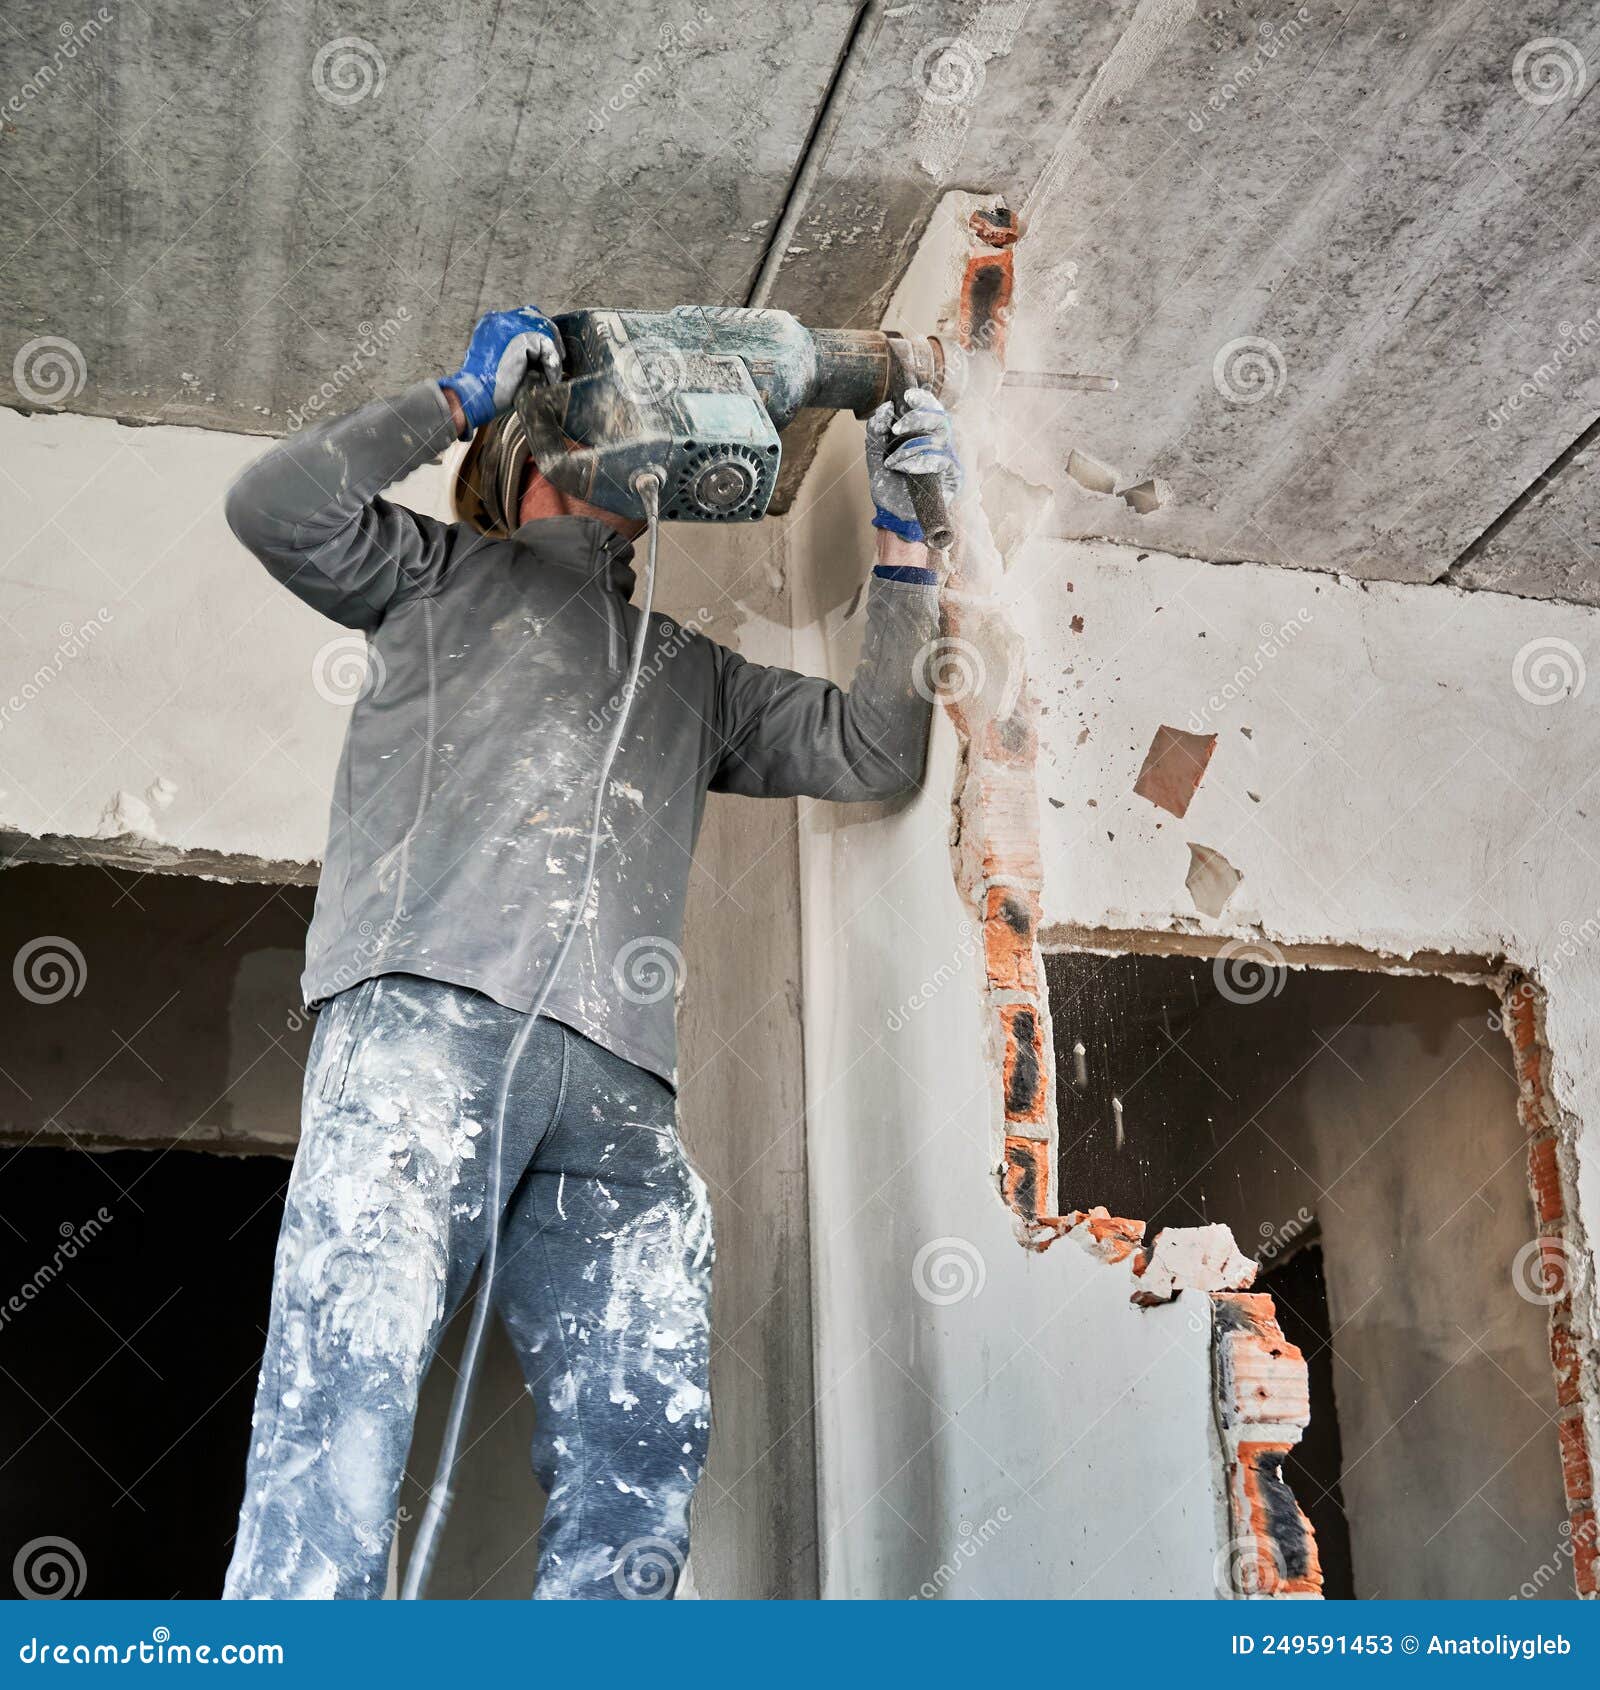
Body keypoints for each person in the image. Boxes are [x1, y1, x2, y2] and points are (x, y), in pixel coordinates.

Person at [220, 306, 960, 1599]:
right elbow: (275, 504)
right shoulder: (435, 578)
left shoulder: (688, 670)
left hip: (619, 1093)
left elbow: (871, 749)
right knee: (347, 1384)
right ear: (527, 464)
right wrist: (450, 400)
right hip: (424, 1035)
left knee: (641, 1442)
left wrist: (908, 542)